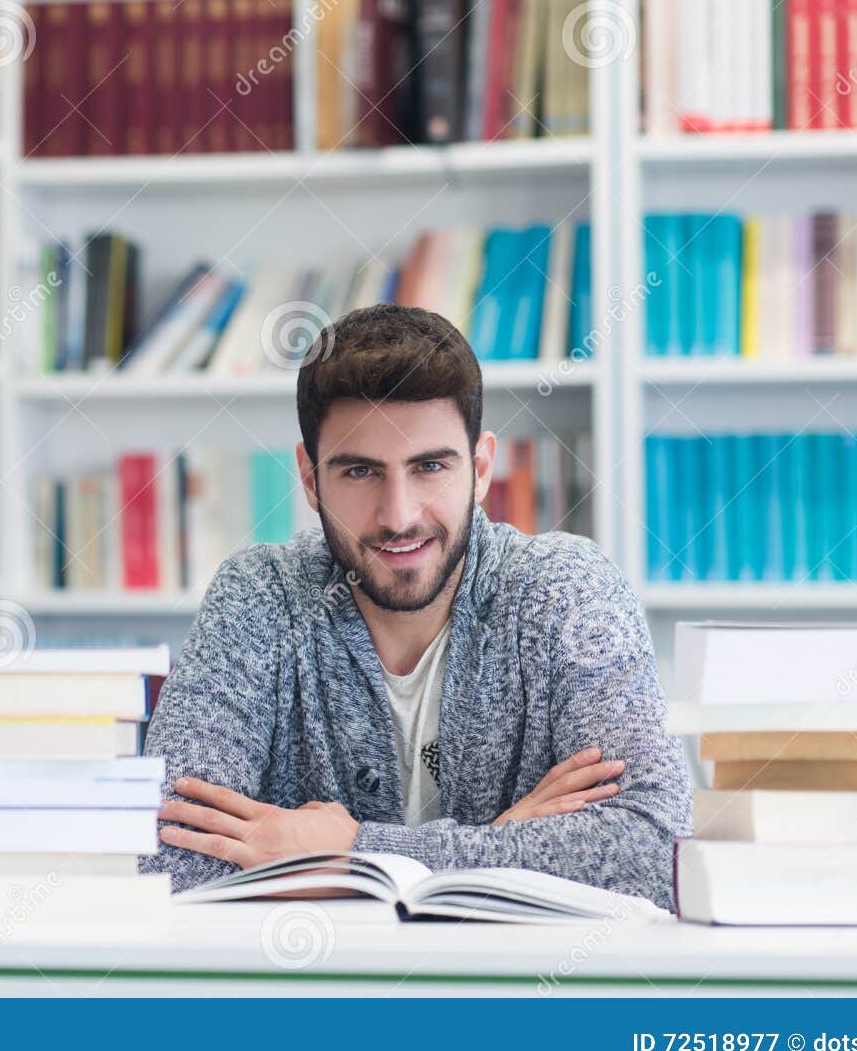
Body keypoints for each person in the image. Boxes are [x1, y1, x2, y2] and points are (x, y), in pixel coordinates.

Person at [143, 304, 692, 910]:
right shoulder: (258, 599)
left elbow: (655, 852)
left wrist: (357, 853)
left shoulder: (565, 592)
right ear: (309, 477)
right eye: (359, 471)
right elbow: (164, 856)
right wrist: (503, 844)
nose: (399, 515)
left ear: (481, 469)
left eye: (430, 466)